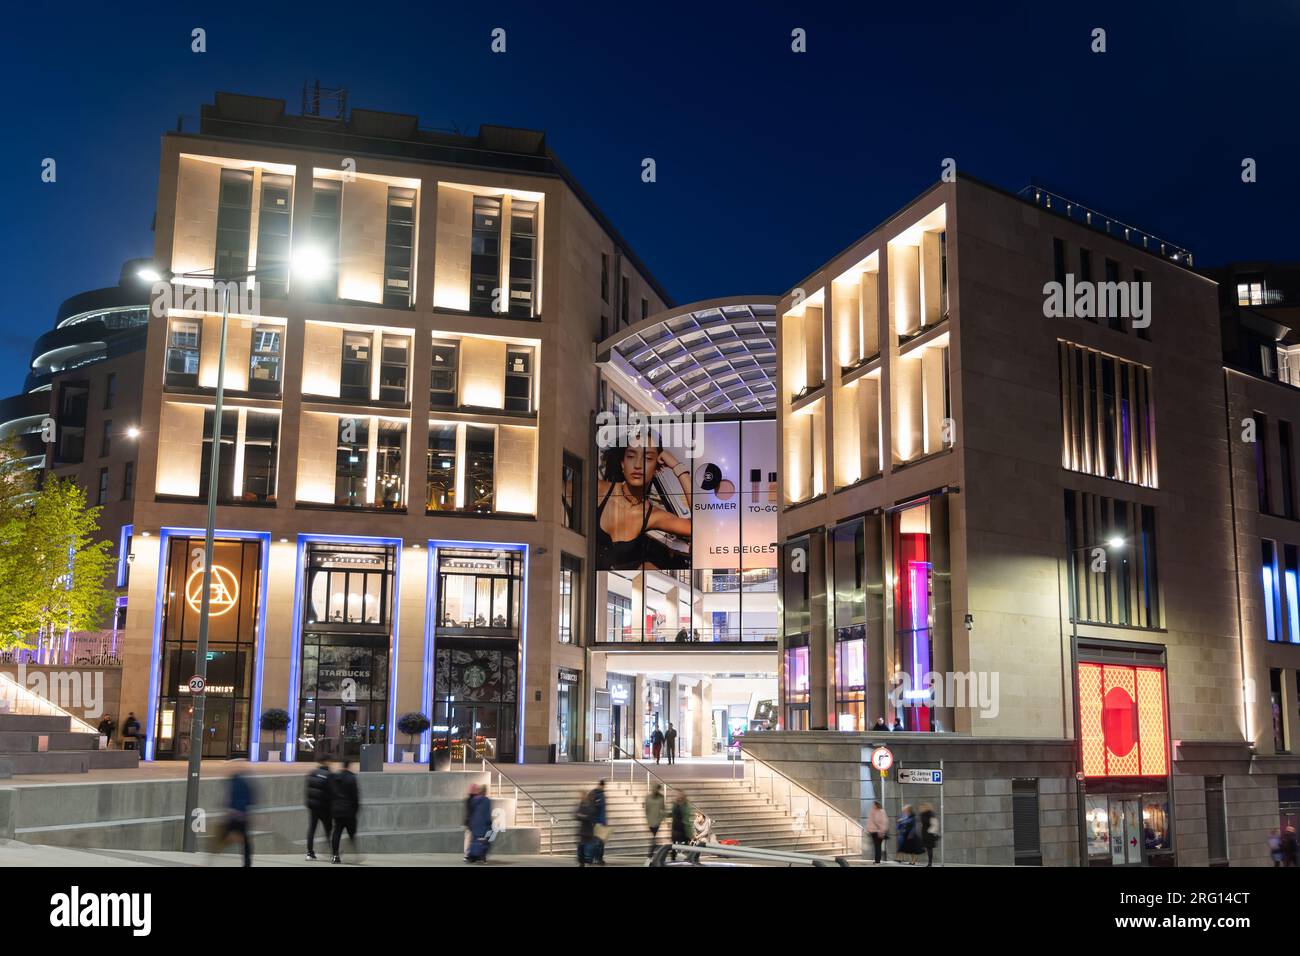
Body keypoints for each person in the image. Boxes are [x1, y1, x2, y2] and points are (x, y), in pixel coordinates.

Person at [595, 429, 692, 572]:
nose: (638, 465)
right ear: (622, 463)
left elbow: (700, 528)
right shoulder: (599, 490)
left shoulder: (652, 515)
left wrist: (677, 468)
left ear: (657, 468)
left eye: (648, 458)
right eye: (631, 456)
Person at [218, 771, 255, 867]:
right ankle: (247, 863)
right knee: (246, 842)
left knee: (223, 836)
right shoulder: (245, 784)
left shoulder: (233, 785)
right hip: (243, 816)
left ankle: (222, 844)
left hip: (233, 816)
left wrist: (227, 811)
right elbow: (250, 800)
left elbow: (228, 801)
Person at [330, 760, 361, 864]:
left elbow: (331, 793)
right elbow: (355, 796)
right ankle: (355, 855)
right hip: (348, 811)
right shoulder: (351, 778)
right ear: (349, 766)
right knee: (352, 833)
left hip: (337, 810)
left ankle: (335, 855)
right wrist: (356, 810)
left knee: (337, 832)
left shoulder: (335, 777)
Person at [304, 755, 333, 860]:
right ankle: (332, 851)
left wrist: (309, 803)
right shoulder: (329, 775)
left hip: (313, 807)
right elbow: (330, 793)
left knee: (312, 829)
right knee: (328, 829)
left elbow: (308, 790)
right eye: (330, 761)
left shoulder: (312, 773)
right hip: (324, 807)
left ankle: (309, 853)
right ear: (326, 761)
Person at [465, 784, 493, 863]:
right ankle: (482, 856)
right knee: (484, 840)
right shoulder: (487, 800)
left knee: (474, 839)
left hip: (474, 823)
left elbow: (471, 811)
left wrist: (470, 821)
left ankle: (472, 856)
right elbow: (487, 813)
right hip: (483, 823)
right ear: (485, 792)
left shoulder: (474, 800)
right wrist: (489, 823)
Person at [670, 792, 694, 862]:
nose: (677, 796)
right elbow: (673, 814)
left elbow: (686, 820)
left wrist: (690, 833)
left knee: (686, 843)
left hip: (682, 828)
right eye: (677, 795)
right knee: (674, 844)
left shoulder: (685, 806)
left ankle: (690, 857)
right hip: (676, 828)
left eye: (679, 795)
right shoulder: (675, 805)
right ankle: (674, 857)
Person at [644, 783, 666, 857]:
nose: (656, 790)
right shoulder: (648, 797)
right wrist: (647, 820)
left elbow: (663, 808)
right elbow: (646, 809)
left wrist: (662, 818)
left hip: (657, 821)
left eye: (657, 789)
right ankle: (653, 852)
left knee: (653, 837)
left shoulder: (661, 797)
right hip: (650, 820)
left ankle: (650, 854)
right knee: (653, 838)